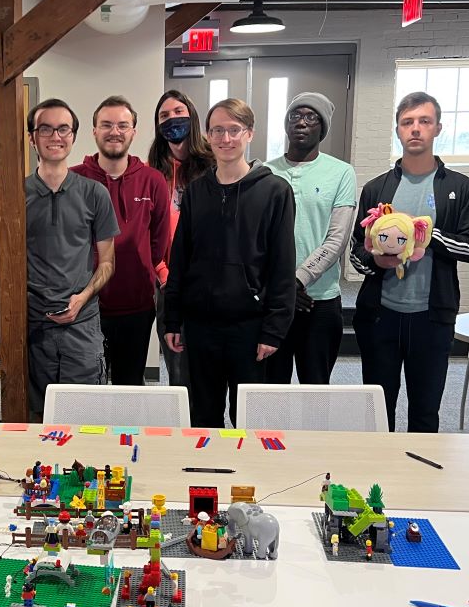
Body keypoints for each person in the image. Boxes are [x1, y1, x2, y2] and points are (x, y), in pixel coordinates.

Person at [351, 91, 469, 432]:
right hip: (380, 317)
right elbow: (357, 252)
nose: (416, 129)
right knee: (378, 411)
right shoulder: (377, 187)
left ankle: (420, 482)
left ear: (437, 128)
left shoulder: (459, 186)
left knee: (425, 412)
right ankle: (381, 479)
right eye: (407, 122)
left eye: (424, 122)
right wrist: (376, 262)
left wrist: (427, 236)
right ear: (397, 130)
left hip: (432, 317)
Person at [162, 98, 295, 428]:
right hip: (201, 324)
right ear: (207, 135)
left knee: (248, 417)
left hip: (249, 327)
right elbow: (180, 260)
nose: (225, 138)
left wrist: (274, 330)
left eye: (234, 130)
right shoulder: (196, 192)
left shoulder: (275, 191)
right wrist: (173, 319)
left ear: (249, 134)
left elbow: (282, 265)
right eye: (217, 130)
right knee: (203, 414)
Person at [24, 98, 119, 420]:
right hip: (32, 324)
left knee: (83, 414)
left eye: (63, 128)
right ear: (32, 137)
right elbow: (6, 262)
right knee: (35, 417)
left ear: (74, 135)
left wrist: (82, 298)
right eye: (46, 128)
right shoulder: (14, 194)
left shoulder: (94, 193)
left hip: (82, 323)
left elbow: (107, 262)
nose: (55, 136)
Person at [74, 96, 169, 385]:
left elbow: (159, 243)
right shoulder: (74, 180)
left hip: (136, 307)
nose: (114, 131)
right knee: (88, 388)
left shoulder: (153, 181)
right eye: (106, 125)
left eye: (122, 125)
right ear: (94, 131)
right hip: (86, 305)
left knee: (129, 386)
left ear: (133, 132)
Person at [264, 92, 357, 385]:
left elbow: (337, 239)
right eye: (295, 116)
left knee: (314, 394)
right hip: (272, 304)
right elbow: (254, 240)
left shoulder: (341, 173)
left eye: (311, 117)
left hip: (319, 302)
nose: (301, 123)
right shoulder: (264, 172)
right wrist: (281, 288)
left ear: (322, 128)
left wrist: (297, 281)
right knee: (270, 394)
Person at [146, 90, 214, 387]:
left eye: (178, 112)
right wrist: (163, 275)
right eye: (164, 115)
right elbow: (146, 232)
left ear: (192, 117)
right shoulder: (152, 174)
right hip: (168, 285)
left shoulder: (213, 166)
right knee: (177, 369)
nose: (172, 119)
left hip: (207, 284)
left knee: (208, 366)